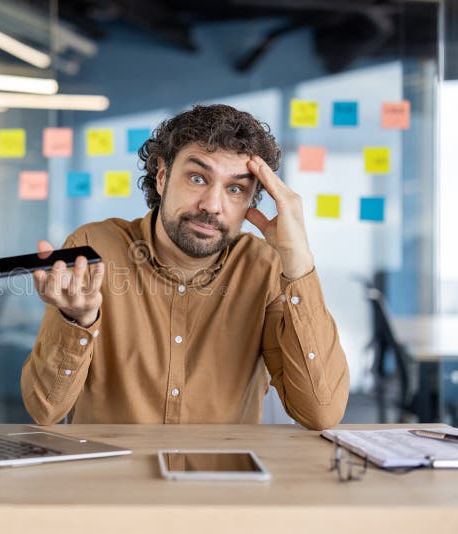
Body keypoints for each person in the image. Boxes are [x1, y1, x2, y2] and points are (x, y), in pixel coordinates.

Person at [20, 104, 349, 430]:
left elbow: (320, 413)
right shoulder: (95, 248)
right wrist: (78, 320)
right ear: (162, 177)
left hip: (221, 477)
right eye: (197, 178)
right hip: (115, 475)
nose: (212, 206)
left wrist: (298, 262)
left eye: (235, 188)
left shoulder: (264, 267)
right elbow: (44, 409)